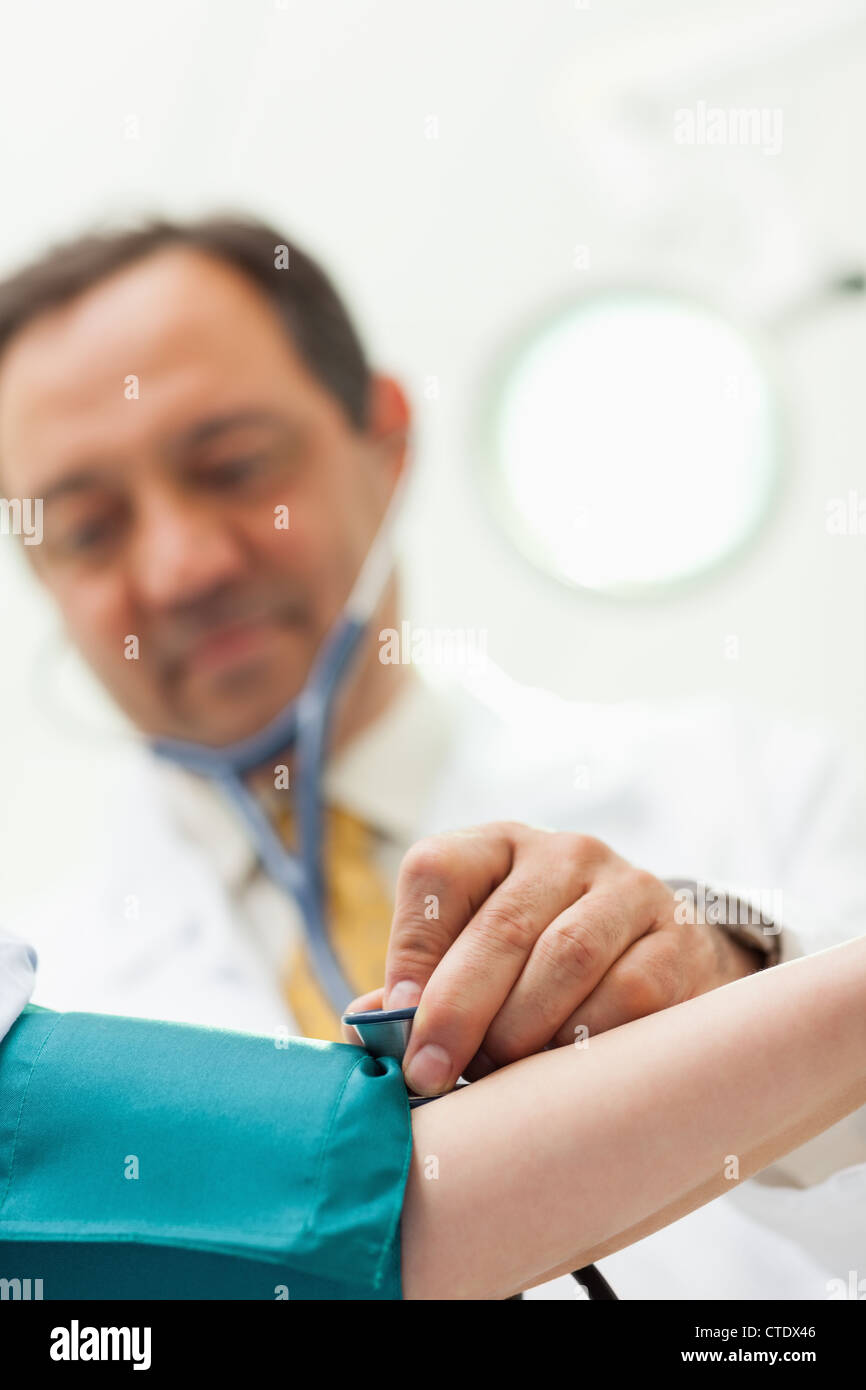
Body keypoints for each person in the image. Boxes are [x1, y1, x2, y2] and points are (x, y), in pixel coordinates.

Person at [0, 214, 864, 1297]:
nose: (180, 567)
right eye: (87, 528)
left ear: (384, 436)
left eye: (232, 467)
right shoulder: (37, 1003)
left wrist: (736, 978)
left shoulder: (757, 785)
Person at [1, 921, 866, 1301]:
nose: (182, 574)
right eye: (89, 535)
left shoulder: (757, 766)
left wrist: (739, 953)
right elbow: (381, 1203)